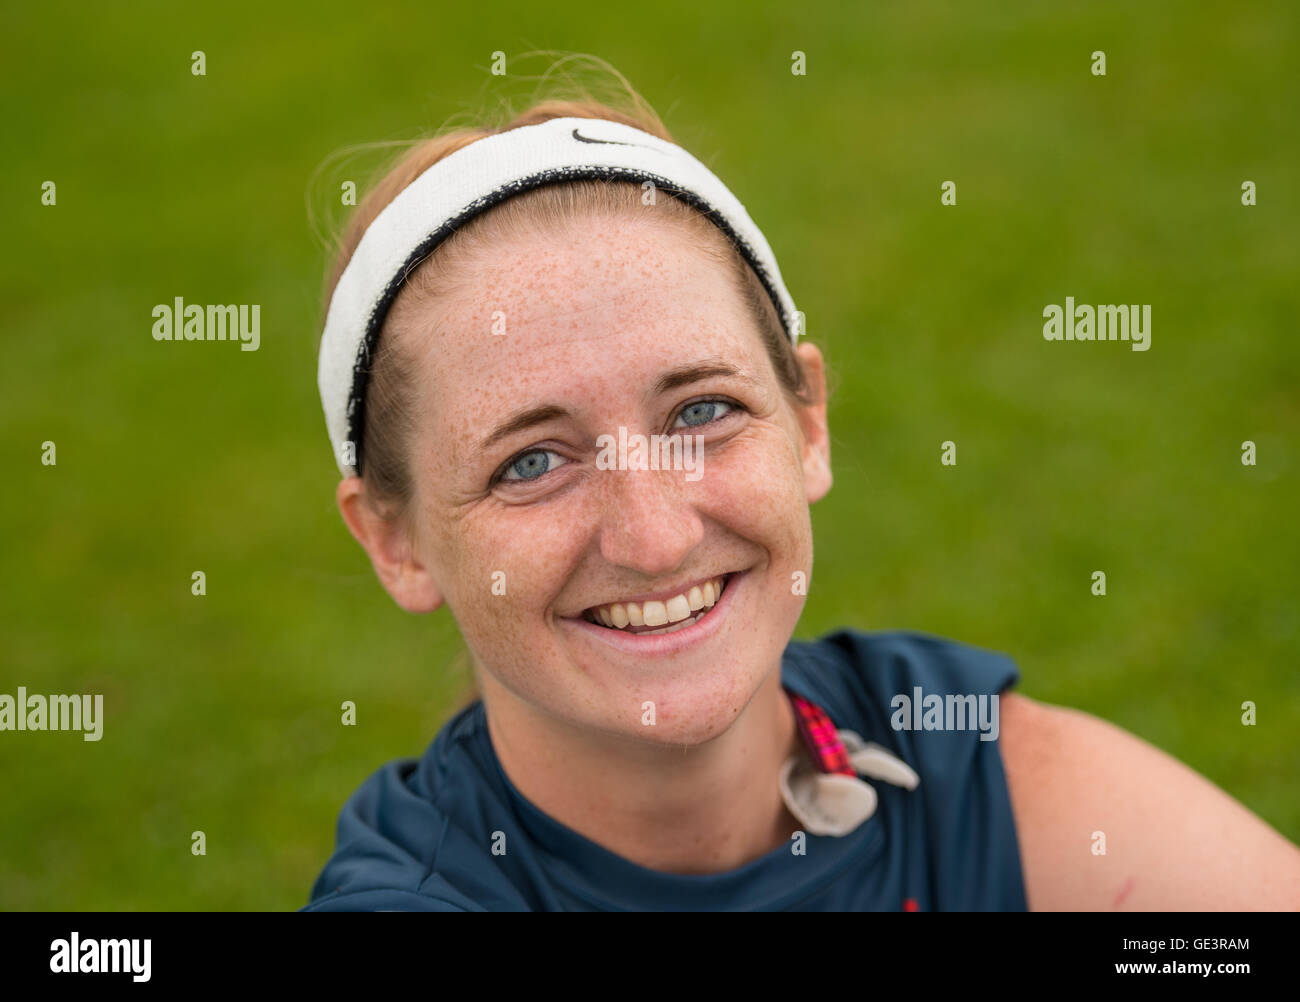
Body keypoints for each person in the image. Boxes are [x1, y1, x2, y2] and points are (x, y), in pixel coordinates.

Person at [303, 83, 1300, 911]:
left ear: (808, 421)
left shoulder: (964, 773)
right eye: (531, 462)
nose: (654, 540)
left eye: (699, 411)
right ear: (395, 542)